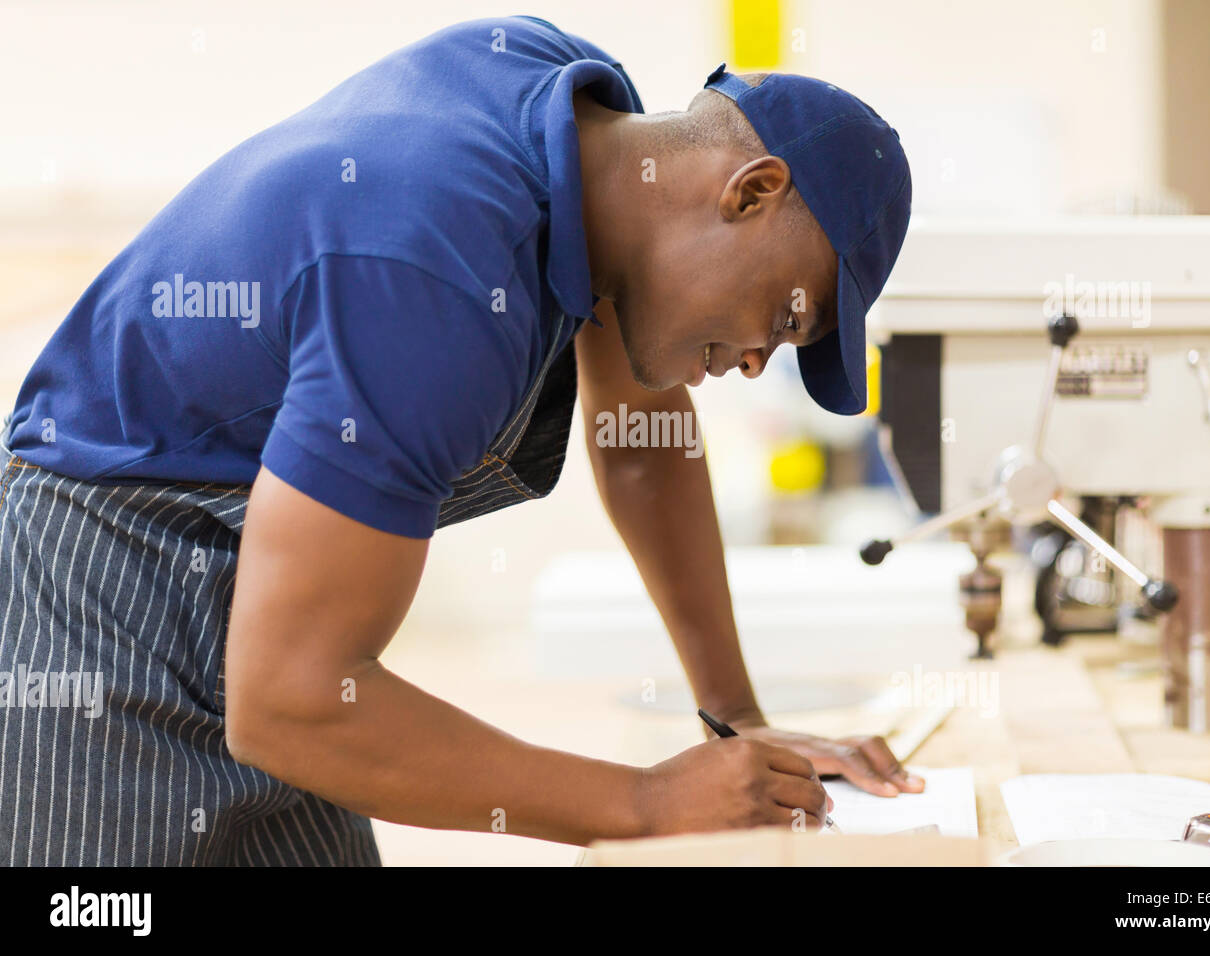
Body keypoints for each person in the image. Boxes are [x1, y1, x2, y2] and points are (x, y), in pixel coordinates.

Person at [0, 15, 917, 865]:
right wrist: (643, 804)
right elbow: (291, 705)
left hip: (265, 613)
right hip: (101, 619)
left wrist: (735, 717)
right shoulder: (433, 276)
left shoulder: (578, 123)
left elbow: (639, 439)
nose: (760, 361)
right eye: (787, 315)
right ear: (751, 193)